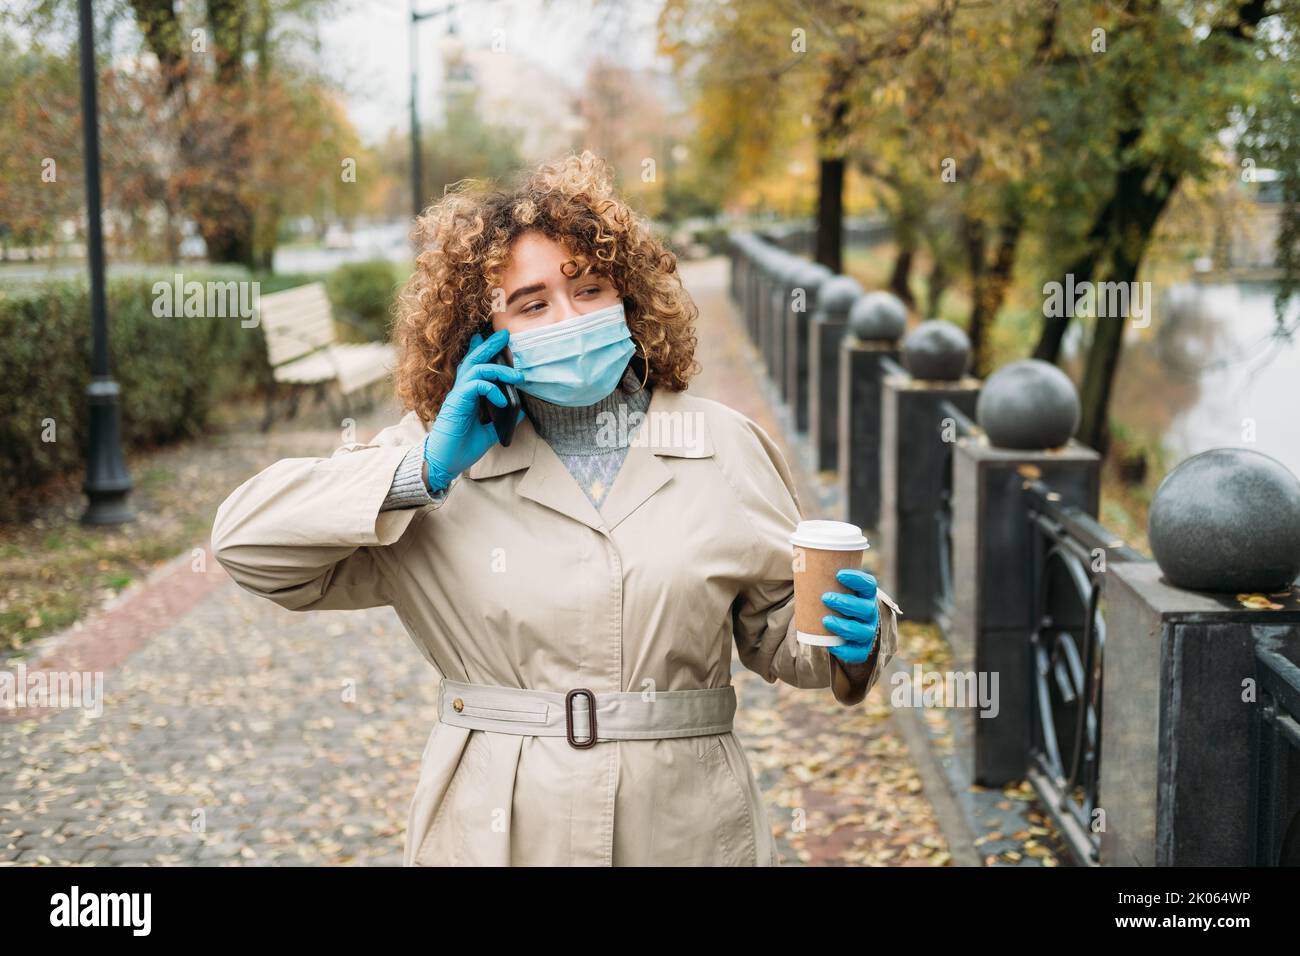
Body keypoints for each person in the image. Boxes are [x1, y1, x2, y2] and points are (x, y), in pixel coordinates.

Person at [210, 150, 900, 866]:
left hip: (685, 824)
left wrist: (849, 642)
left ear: (628, 296)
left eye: (590, 288)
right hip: (497, 828)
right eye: (532, 304)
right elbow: (246, 544)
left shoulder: (722, 444)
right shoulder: (436, 458)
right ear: (483, 336)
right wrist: (424, 471)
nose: (569, 318)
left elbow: (781, 633)